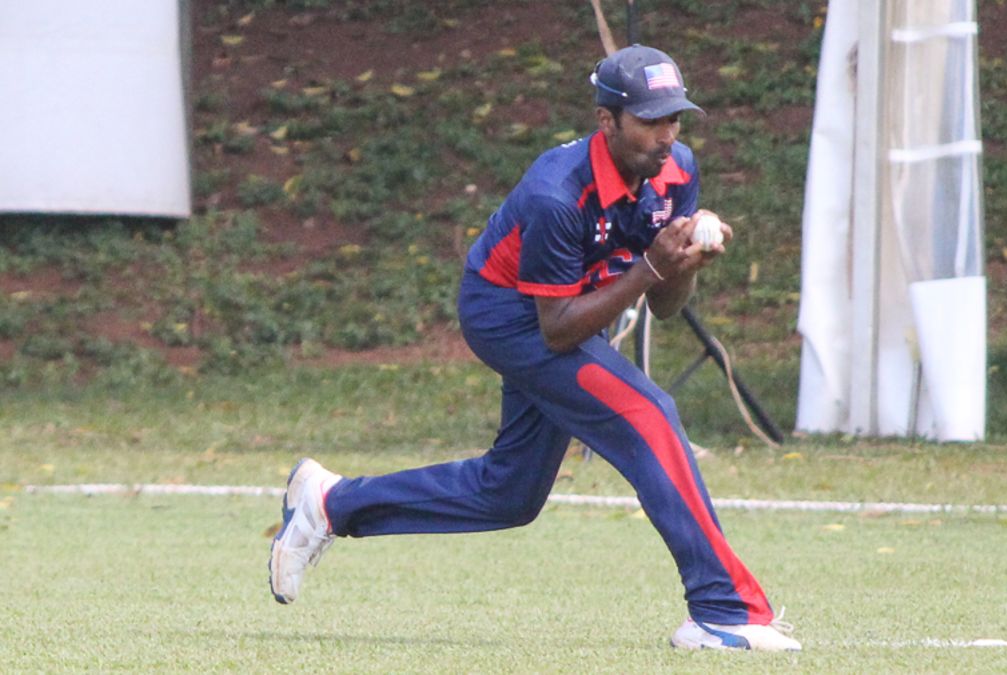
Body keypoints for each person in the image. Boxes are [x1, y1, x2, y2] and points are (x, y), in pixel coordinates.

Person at [268, 44, 800, 652]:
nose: (666, 135)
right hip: (508, 314)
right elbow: (558, 331)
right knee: (649, 415)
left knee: (510, 494)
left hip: (571, 309)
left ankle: (330, 503)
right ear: (607, 121)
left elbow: (664, 305)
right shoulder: (557, 193)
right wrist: (651, 267)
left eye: (674, 118)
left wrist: (684, 266)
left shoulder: (676, 170)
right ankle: (722, 608)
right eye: (650, 120)